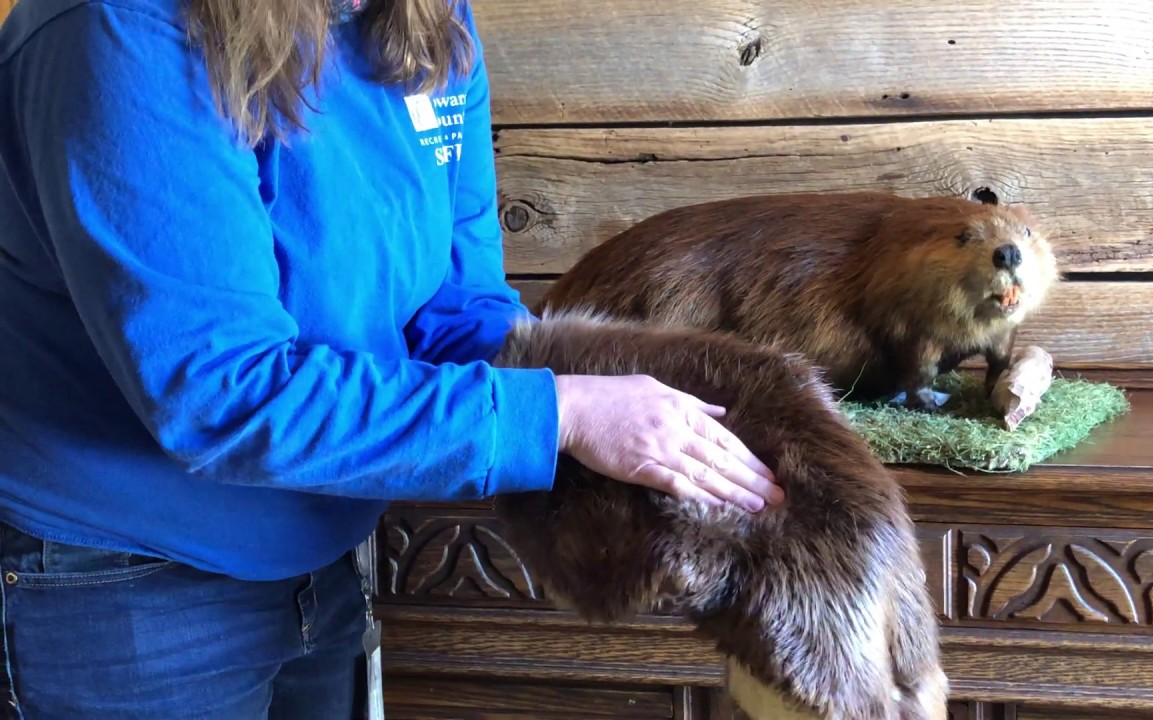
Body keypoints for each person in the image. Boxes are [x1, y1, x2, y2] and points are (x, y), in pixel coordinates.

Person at [0, 0, 785, 715]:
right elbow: (220, 391)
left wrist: (627, 402)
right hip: (126, 582)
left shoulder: (425, 17)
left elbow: (455, 306)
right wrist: (560, 414)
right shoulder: (121, 30)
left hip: (323, 551)